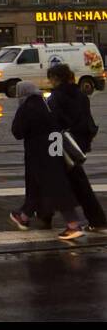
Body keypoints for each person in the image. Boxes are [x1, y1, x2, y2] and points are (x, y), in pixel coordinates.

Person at [10, 79, 85, 240]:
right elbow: (65, 121)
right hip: (55, 146)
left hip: (38, 151)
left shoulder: (26, 107)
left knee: (55, 186)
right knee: (38, 185)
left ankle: (73, 225)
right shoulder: (48, 103)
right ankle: (23, 216)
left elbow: (17, 132)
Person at [47, 63, 105, 230]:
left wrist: (52, 148)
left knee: (71, 184)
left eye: (51, 78)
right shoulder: (81, 95)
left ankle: (81, 222)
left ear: (56, 78)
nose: (50, 81)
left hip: (62, 144)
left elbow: (54, 123)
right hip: (79, 144)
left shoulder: (56, 97)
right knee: (76, 182)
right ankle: (95, 220)